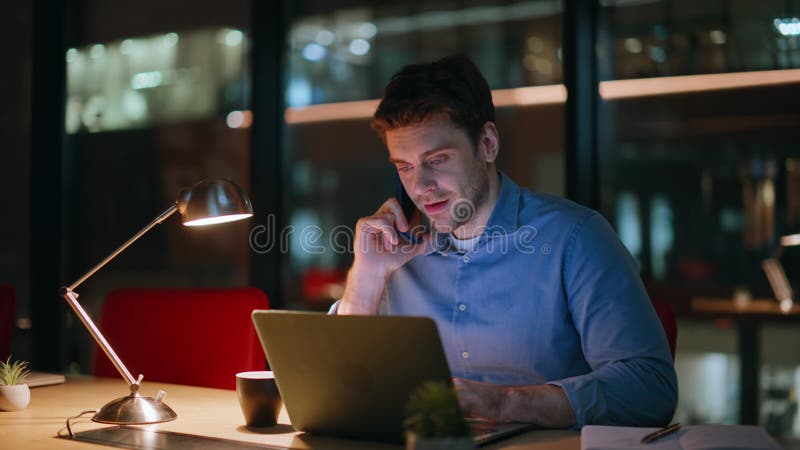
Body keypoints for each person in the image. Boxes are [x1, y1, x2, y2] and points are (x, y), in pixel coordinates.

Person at [332, 55, 677, 429]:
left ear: (488, 144)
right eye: (405, 166)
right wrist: (364, 282)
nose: (420, 186)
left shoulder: (575, 238)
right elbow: (338, 393)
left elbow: (650, 390)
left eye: (438, 160)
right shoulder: (392, 252)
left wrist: (505, 403)